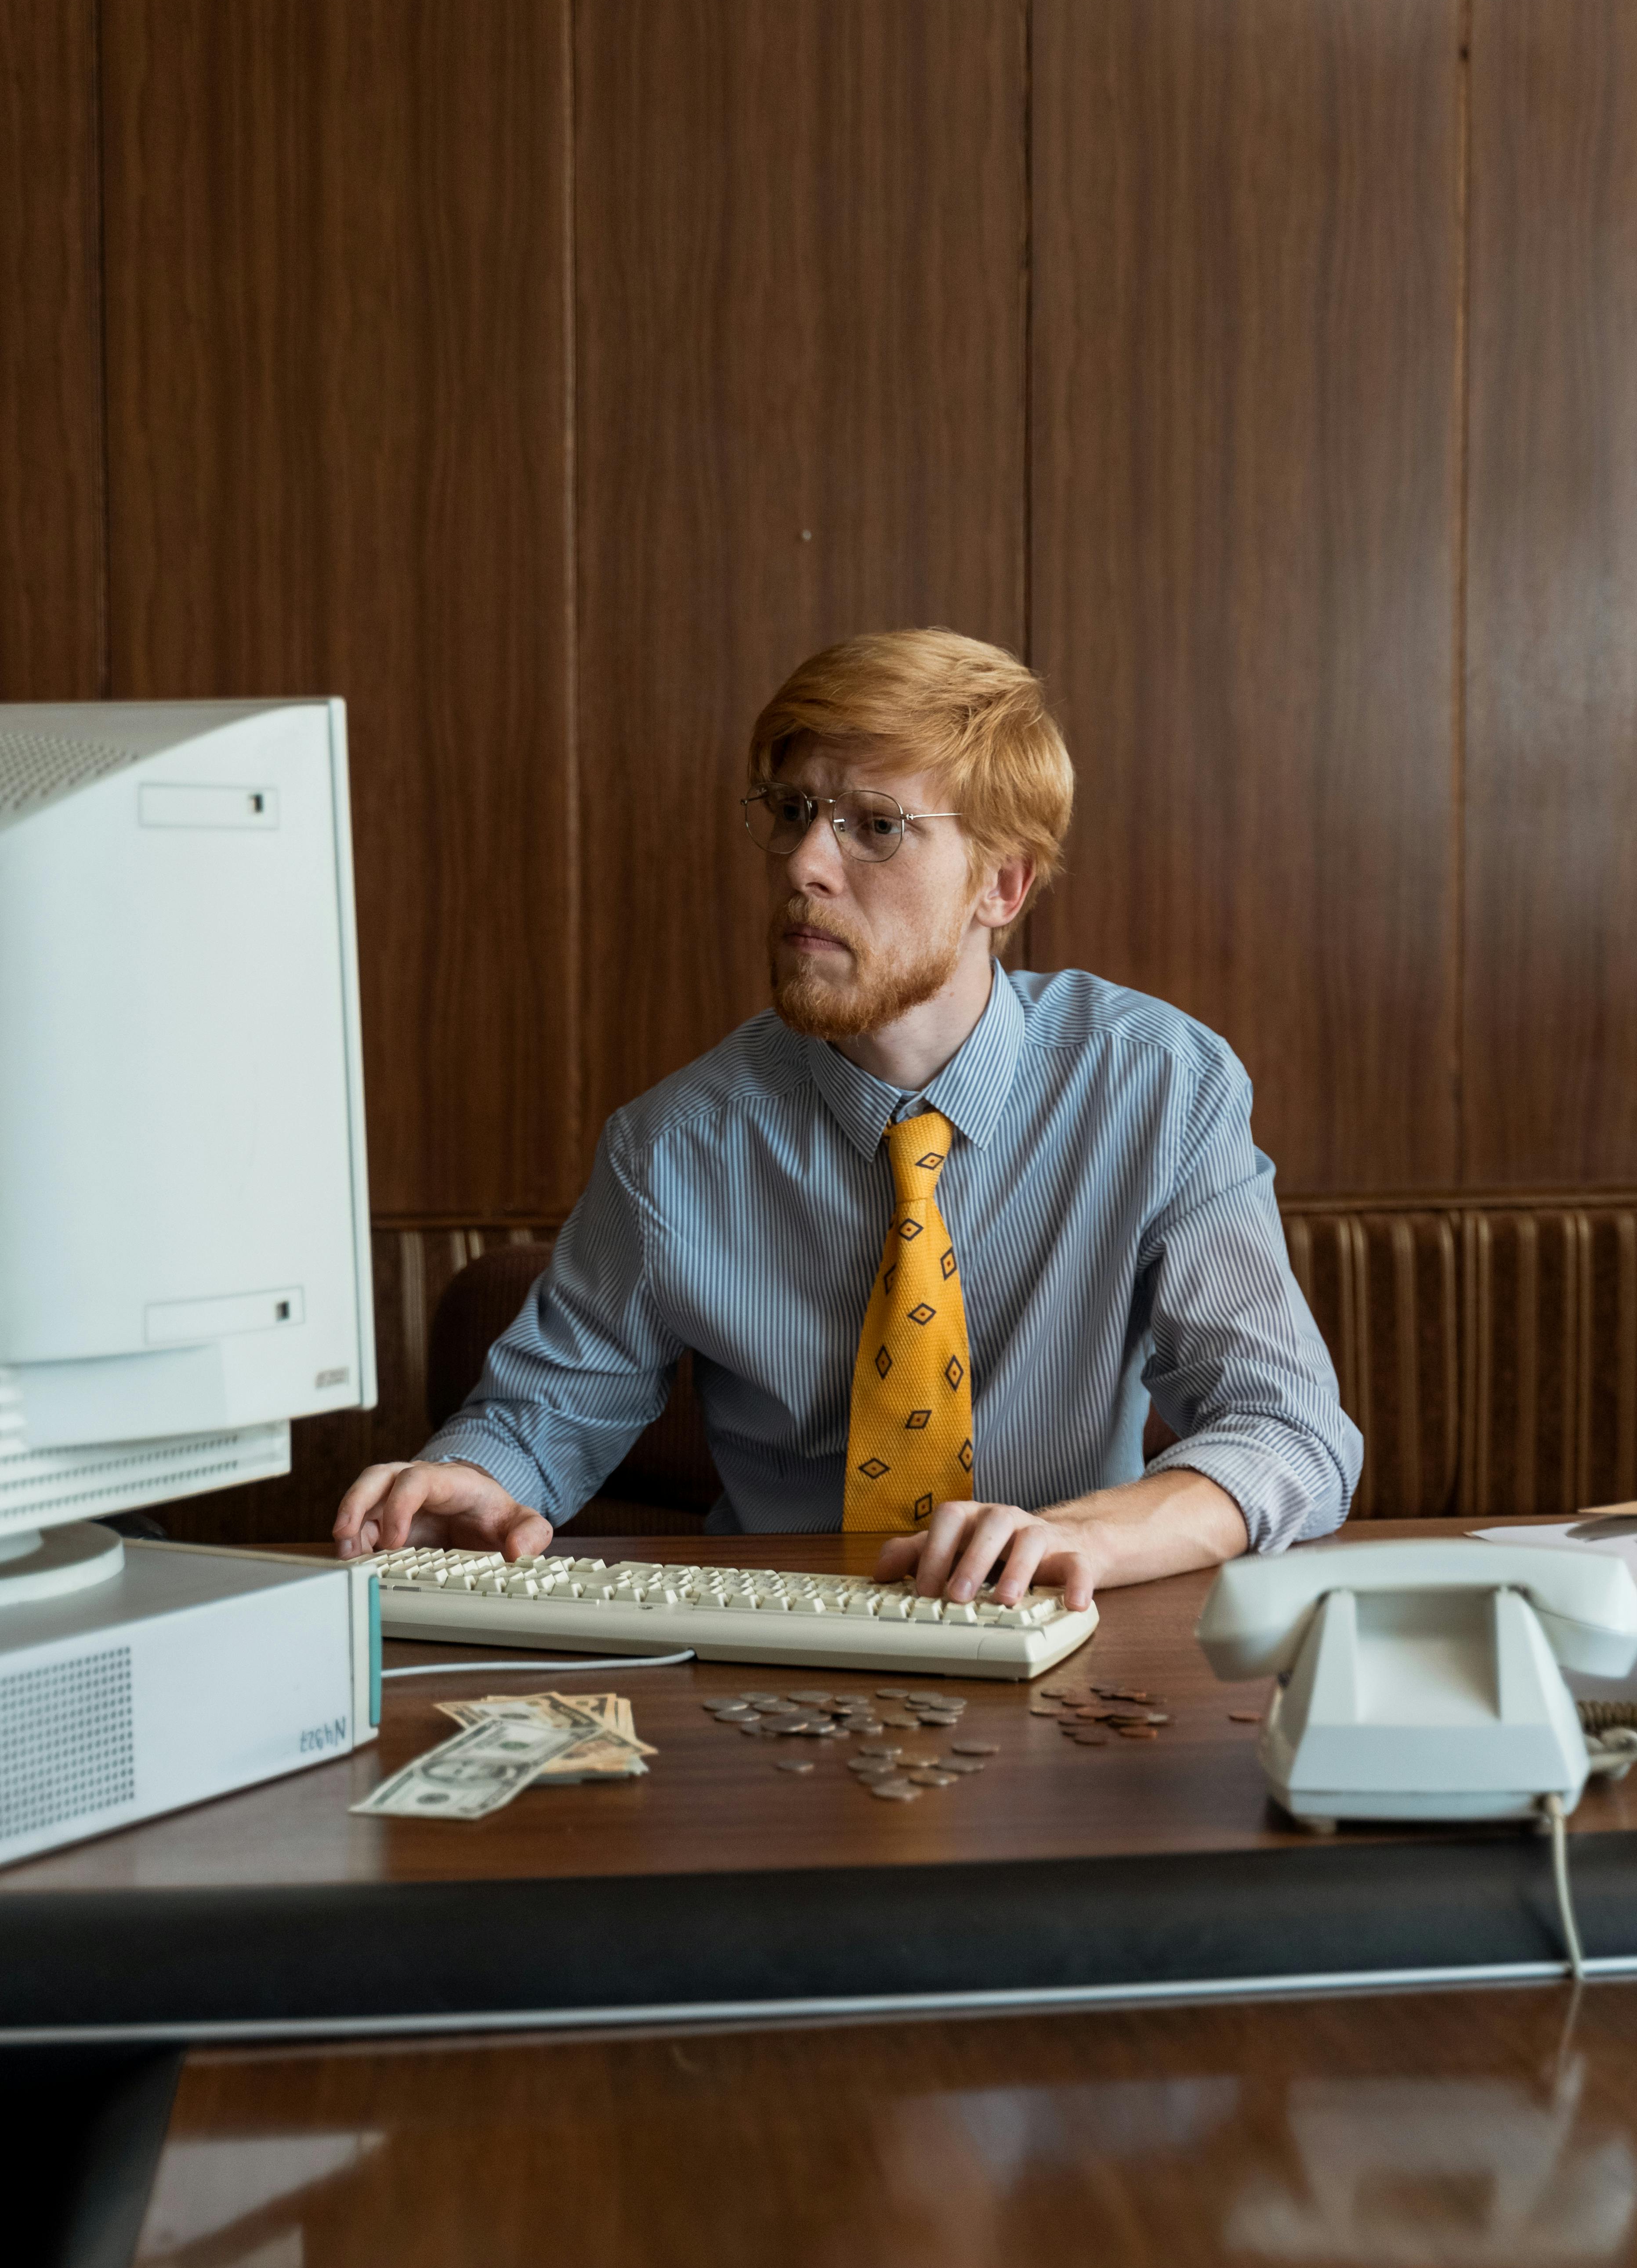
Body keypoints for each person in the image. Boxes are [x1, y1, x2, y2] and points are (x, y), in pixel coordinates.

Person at [333, 628, 1360, 1608]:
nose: (802, 866)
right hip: (770, 1651)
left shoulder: (1156, 1088)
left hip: (1060, 1629)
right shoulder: (669, 1146)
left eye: (874, 826)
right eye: (789, 812)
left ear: (999, 885)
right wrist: (469, 1476)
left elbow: (1288, 1432)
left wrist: (1089, 1535)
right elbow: (539, 1417)